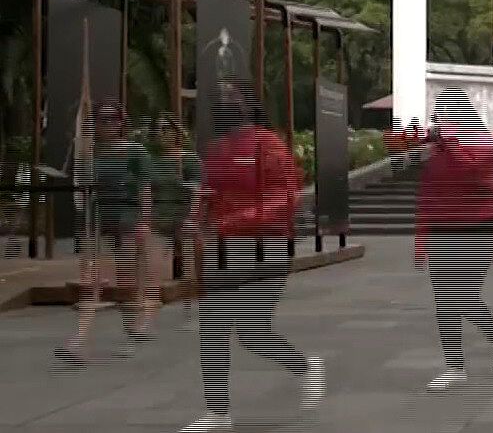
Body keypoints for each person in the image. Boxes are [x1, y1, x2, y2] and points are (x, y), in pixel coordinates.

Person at [179, 79, 324, 433]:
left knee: (253, 332)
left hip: (267, 246)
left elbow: (287, 198)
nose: (225, 101)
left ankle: (306, 367)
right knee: (213, 328)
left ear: (248, 104)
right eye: (220, 96)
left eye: (233, 96)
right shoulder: (216, 149)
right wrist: (194, 219)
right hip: (225, 248)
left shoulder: (268, 143)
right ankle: (218, 412)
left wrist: (230, 221)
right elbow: (209, 192)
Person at [414, 87, 493, 392]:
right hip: (444, 228)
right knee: (445, 300)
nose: (439, 120)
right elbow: (427, 196)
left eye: (445, 114)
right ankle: (455, 367)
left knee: (464, 295)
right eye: (438, 114)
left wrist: (449, 141)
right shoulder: (436, 154)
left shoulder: (481, 140)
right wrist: (421, 241)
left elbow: (471, 168)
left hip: (480, 225)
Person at [55, 100, 154, 366]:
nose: (108, 124)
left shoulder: (135, 151)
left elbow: (145, 188)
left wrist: (145, 221)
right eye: (102, 119)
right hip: (97, 217)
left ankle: (132, 331)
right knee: (92, 280)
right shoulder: (89, 152)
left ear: (122, 122)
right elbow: (83, 186)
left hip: (127, 217)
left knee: (126, 280)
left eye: (114, 119)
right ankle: (80, 339)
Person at [146, 113, 202, 333]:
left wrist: (191, 217)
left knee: (191, 262)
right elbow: (147, 190)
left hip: (182, 214)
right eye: (158, 130)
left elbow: (196, 191)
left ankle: (193, 304)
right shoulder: (152, 162)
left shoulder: (189, 160)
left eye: (165, 130)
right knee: (152, 265)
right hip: (159, 216)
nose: (161, 134)